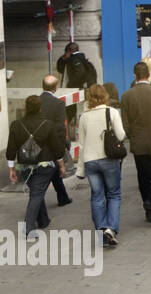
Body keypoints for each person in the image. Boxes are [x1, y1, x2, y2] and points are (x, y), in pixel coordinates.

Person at [7, 95, 67, 239]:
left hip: (24, 166)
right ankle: (29, 227)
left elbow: (11, 149)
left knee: (36, 191)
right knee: (36, 194)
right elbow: (57, 148)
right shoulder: (48, 124)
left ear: (26, 108)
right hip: (44, 165)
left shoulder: (16, 124)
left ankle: (43, 220)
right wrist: (61, 165)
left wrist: (11, 168)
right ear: (40, 108)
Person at [76, 83, 127, 247]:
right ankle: (111, 228)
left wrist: (80, 169)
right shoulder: (111, 112)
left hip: (90, 161)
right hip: (108, 159)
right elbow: (121, 135)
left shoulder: (84, 116)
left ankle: (101, 229)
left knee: (97, 196)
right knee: (113, 194)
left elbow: (81, 144)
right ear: (105, 95)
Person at [121, 61, 151, 224]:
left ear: (134, 75)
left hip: (138, 141)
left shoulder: (126, 96)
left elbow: (125, 122)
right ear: (149, 75)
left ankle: (149, 205)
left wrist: (132, 135)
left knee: (143, 175)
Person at [39, 76, 74, 207]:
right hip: (52, 142)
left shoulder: (35, 101)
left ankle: (63, 197)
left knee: (53, 171)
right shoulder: (58, 103)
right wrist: (63, 144)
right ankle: (61, 197)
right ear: (56, 87)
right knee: (53, 169)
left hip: (38, 142)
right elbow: (60, 127)